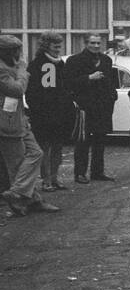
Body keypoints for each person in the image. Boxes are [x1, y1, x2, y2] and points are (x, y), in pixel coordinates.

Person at [0, 34, 60, 216]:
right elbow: (17, 89)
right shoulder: (3, 70)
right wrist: (22, 71)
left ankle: (18, 193)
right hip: (7, 122)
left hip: (19, 119)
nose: (20, 54)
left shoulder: (12, 66)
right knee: (17, 164)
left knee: (36, 153)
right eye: (17, 50)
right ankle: (28, 200)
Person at [65, 34, 117, 183]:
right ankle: (80, 173)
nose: (96, 46)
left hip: (102, 107)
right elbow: (68, 83)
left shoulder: (106, 60)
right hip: (84, 107)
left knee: (100, 140)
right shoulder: (74, 61)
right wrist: (89, 78)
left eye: (98, 43)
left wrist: (112, 97)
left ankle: (98, 172)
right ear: (86, 43)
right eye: (92, 43)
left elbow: (110, 82)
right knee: (83, 141)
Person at [26, 31, 75, 191]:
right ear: (46, 46)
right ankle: (46, 180)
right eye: (55, 46)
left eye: (59, 46)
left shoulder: (61, 64)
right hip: (44, 114)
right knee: (45, 147)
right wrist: (38, 110)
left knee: (58, 146)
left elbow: (65, 87)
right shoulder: (37, 64)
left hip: (60, 113)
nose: (58, 49)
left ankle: (54, 177)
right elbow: (32, 92)